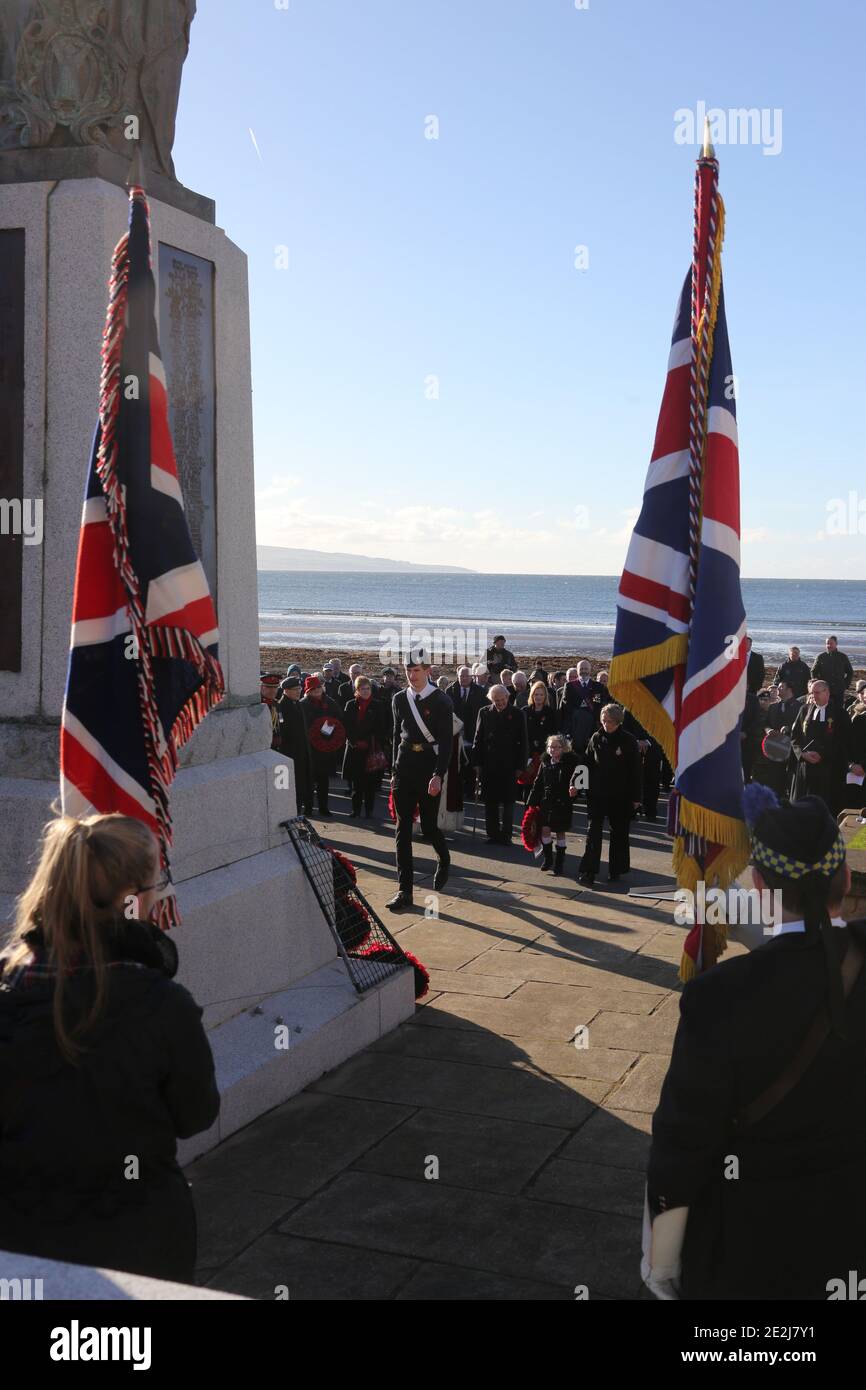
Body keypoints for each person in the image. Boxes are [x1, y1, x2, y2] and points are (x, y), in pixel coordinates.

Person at [644, 793, 866, 1301]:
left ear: (761, 885)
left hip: (753, 1247)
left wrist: (662, 1261)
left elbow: (680, 1148)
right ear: (847, 880)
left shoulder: (718, 997)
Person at [0, 814, 219, 1283]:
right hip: (136, 1245)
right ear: (134, 901)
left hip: (21, 1242)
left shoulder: (8, 986)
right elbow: (196, 1114)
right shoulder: (162, 1005)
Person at [386, 651, 453, 911]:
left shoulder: (441, 701)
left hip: (428, 768)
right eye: (408, 671)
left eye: (416, 670)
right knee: (402, 828)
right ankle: (405, 890)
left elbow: (446, 742)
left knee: (428, 827)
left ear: (428, 671)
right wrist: (393, 771)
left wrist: (439, 774)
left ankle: (444, 858)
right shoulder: (399, 699)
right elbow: (395, 736)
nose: (411, 676)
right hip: (404, 767)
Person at [578, 704, 641, 886]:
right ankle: (589, 870)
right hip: (597, 793)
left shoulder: (628, 741)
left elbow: (636, 771)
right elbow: (587, 762)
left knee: (619, 833)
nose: (606, 725)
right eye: (603, 721)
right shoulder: (596, 737)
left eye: (610, 722)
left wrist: (636, 798)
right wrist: (578, 784)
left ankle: (616, 869)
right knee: (593, 833)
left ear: (618, 722)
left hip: (621, 794)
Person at [472, 683, 528, 845]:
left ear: (507, 697)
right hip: (489, 763)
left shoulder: (518, 714)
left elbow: (523, 742)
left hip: (510, 764)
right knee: (490, 801)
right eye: (496, 700)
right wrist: (476, 763)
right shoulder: (484, 712)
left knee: (508, 801)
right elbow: (478, 738)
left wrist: (520, 767)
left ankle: (506, 835)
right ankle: (493, 834)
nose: (500, 703)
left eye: (502, 700)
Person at [790, 678, 851, 816]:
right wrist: (802, 754)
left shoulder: (840, 714)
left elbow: (843, 742)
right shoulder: (804, 710)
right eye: (812, 693)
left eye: (817, 693)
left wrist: (822, 755)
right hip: (805, 770)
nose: (814, 696)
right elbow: (795, 738)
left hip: (828, 772)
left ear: (827, 693)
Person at [526, 733, 582, 875]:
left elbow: (579, 781)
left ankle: (559, 863)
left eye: (556, 747)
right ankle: (548, 858)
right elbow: (538, 783)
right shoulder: (545, 762)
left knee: (560, 831)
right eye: (550, 747)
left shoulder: (570, 764)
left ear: (563, 748)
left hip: (563, 802)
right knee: (545, 829)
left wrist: (574, 790)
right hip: (546, 801)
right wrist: (531, 802)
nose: (552, 750)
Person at [299, 674, 345, 818]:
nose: (317, 690)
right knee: (309, 781)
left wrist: (329, 727)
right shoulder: (303, 704)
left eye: (319, 687)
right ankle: (308, 808)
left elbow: (339, 718)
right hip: (309, 749)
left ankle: (324, 807)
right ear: (308, 691)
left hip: (325, 748)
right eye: (313, 688)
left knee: (324, 780)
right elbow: (300, 726)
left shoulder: (330, 702)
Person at [343, 675, 387, 818]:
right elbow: (346, 727)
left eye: (368, 688)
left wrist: (368, 741)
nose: (366, 691)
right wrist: (355, 741)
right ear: (357, 690)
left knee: (370, 785)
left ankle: (369, 811)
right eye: (362, 689)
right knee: (356, 783)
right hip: (355, 749)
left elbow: (382, 728)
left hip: (371, 749)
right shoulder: (350, 705)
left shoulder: (378, 705)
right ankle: (355, 810)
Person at [272, 674, 313, 814]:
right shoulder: (280, 707)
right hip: (289, 756)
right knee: (288, 790)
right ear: (286, 690)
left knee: (301, 789)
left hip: (302, 755)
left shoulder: (298, 704)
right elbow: (282, 733)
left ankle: (297, 816)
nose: (299, 691)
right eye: (295, 689)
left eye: (300, 688)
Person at [448, 666, 486, 795]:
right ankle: (455, 790)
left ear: (472, 677)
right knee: (455, 764)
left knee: (470, 763)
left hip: (472, 732)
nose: (463, 678)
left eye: (466, 676)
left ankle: (470, 790)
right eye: (461, 676)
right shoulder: (450, 690)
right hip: (455, 733)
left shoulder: (480, 692)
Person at [558, 660, 608, 755]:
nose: (583, 671)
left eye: (586, 669)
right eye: (581, 669)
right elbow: (566, 708)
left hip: (591, 727)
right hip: (575, 727)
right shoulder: (569, 686)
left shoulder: (598, 687)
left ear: (590, 670)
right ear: (577, 671)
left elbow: (598, 705)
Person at [523, 679, 559, 800]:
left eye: (541, 694)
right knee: (527, 792)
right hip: (528, 755)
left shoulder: (550, 713)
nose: (538, 697)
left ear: (545, 697)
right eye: (536, 694)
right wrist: (526, 758)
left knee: (542, 789)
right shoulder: (525, 711)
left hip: (544, 754)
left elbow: (553, 735)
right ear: (532, 695)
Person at [811, 636, 854, 704]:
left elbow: (850, 672)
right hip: (824, 690)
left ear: (836, 643)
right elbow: (813, 671)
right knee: (825, 709)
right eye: (827, 643)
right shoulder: (821, 657)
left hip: (838, 690)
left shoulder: (842, 657)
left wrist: (845, 685)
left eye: (831, 643)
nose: (829, 645)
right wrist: (818, 684)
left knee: (838, 710)